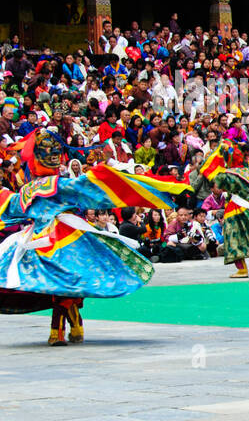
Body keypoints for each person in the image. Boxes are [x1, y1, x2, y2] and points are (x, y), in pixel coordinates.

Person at [0, 131, 189, 345]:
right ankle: (63, 329)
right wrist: (101, 177)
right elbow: (86, 189)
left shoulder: (28, 189)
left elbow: (12, 205)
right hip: (59, 236)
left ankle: (68, 328)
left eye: (54, 150)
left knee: (62, 282)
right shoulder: (54, 184)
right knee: (67, 280)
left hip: (43, 236)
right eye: (49, 151)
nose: (53, 155)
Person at [197, 144, 249, 278]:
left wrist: (219, 153)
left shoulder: (228, 175)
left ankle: (242, 270)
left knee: (233, 240)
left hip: (235, 210)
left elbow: (213, 176)